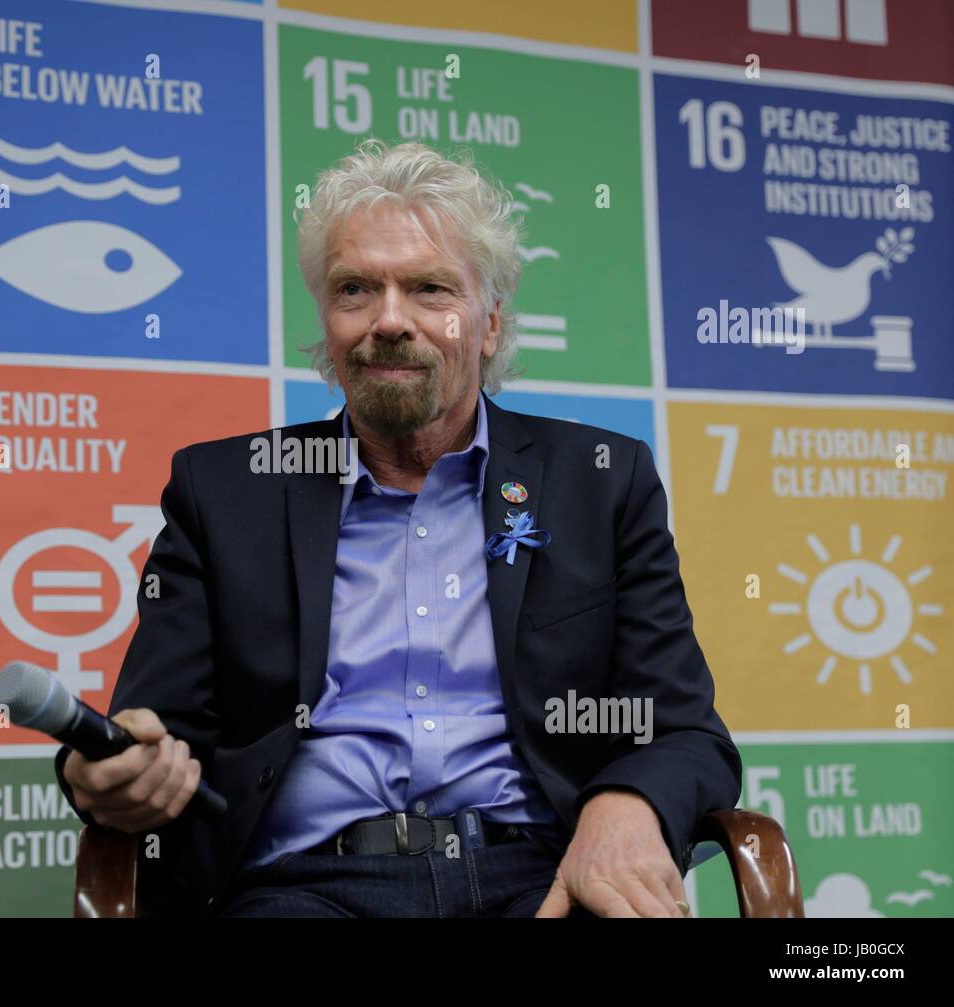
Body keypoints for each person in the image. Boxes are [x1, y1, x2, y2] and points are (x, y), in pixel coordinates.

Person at [55, 138, 741, 917]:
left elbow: (685, 731)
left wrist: (627, 803)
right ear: (327, 318)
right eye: (355, 290)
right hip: (301, 890)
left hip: (539, 878)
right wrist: (114, 774)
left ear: (487, 324)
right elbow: (149, 740)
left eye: (428, 289)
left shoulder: (599, 480)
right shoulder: (223, 492)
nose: (388, 320)